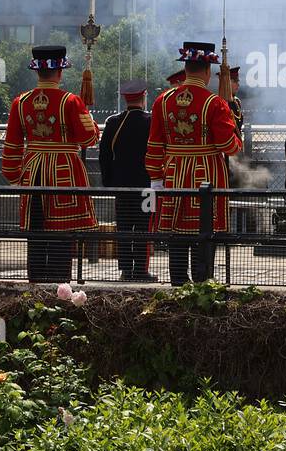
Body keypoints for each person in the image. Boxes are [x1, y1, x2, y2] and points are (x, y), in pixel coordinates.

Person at [144, 41, 241, 285]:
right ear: (208, 71)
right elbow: (230, 146)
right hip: (207, 173)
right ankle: (202, 285)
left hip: (174, 172)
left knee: (176, 235)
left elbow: (154, 146)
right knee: (205, 232)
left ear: (185, 68)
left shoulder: (163, 101)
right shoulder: (215, 103)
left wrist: (156, 179)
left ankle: (178, 284)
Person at [1, 46, 100, 283]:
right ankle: (59, 289)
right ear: (60, 71)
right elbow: (89, 138)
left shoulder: (21, 102)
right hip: (64, 171)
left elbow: (12, 144)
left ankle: (35, 284)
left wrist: (15, 175)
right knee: (61, 236)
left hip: (33, 170)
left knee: (35, 236)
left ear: (38, 72)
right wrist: (92, 124)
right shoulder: (70, 101)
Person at [99, 80, 154, 281]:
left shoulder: (113, 122)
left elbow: (104, 156)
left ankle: (126, 270)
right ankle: (140, 269)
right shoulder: (151, 121)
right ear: (144, 97)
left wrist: (109, 182)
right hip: (147, 185)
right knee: (143, 227)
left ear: (125, 98)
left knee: (123, 227)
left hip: (121, 185)